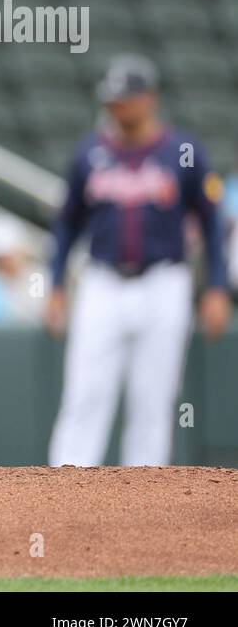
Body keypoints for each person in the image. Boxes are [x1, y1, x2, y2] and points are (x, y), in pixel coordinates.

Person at [46, 56, 230, 467]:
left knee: (153, 399)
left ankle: (146, 509)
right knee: (84, 393)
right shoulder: (89, 152)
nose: (118, 107)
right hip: (102, 282)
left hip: (165, 282)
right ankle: (64, 489)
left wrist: (217, 287)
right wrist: (55, 284)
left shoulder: (182, 151)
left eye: (126, 98)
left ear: (150, 98)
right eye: (113, 100)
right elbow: (65, 226)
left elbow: (212, 222)